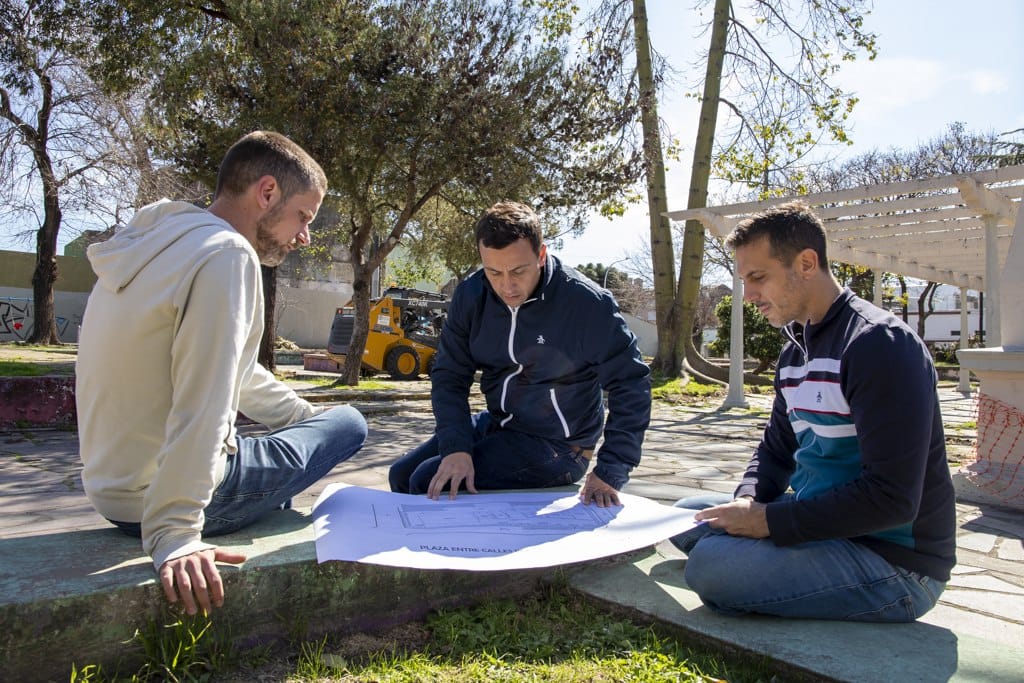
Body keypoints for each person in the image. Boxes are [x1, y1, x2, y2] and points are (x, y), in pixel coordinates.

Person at [76, 131, 368, 616]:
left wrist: (301, 419)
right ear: (267, 193)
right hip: (159, 502)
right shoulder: (227, 255)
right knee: (349, 424)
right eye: (303, 216)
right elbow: (205, 402)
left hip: (111, 491)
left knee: (317, 425)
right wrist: (176, 534)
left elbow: (235, 370)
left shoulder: (162, 243)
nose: (304, 236)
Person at [670, 201, 956, 622]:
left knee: (710, 568)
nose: (748, 296)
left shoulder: (879, 346)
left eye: (758, 278)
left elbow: (893, 499)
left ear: (806, 263)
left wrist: (767, 522)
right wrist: (749, 502)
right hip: (819, 521)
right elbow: (775, 451)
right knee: (684, 515)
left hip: (893, 561)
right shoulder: (794, 350)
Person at [388, 201, 651, 507]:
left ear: (541, 255)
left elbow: (631, 383)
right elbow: (449, 375)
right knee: (401, 475)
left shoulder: (586, 303)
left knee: (425, 481)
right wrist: (456, 448)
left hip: (560, 446)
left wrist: (611, 470)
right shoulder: (472, 296)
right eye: (493, 272)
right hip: (500, 424)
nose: (506, 286)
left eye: (518, 271)